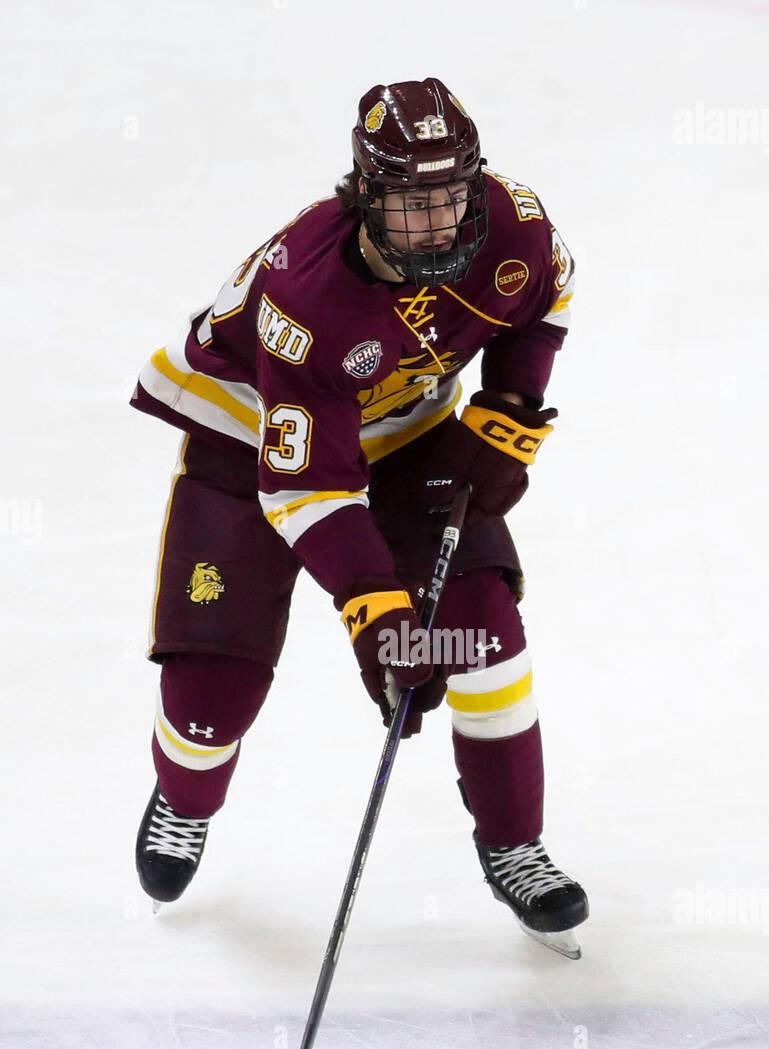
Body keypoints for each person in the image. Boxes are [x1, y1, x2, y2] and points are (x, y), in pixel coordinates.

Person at [131, 76, 588, 952]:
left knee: (482, 631)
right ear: (364, 193)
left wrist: (506, 411)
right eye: (410, 205)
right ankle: (183, 800)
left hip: (404, 428)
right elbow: (308, 489)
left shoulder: (515, 225)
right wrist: (374, 607)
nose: (438, 225)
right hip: (251, 437)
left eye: (450, 197)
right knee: (212, 693)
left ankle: (514, 842)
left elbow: (547, 299)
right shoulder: (306, 296)